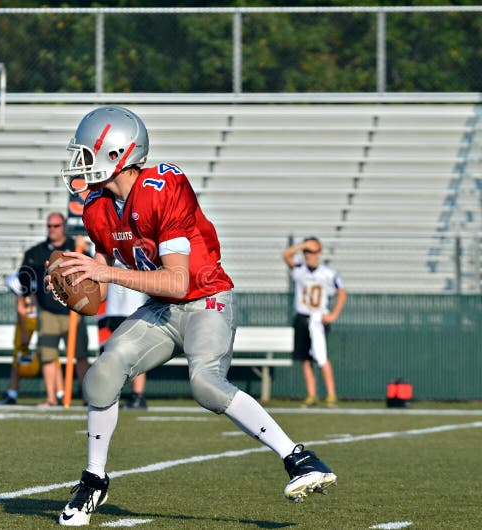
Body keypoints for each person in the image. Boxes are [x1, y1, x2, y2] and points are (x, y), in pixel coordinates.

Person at [52, 106, 337, 525]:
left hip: (206, 299)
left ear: (118, 154)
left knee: (206, 384)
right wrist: (76, 279)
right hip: (162, 310)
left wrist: (104, 271)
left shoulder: (162, 187)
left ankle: (299, 458)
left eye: (86, 153)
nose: (79, 163)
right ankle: (94, 480)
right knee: (102, 373)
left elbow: (178, 282)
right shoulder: (96, 207)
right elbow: (106, 264)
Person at [18, 213, 90, 408]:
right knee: (48, 355)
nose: (52, 229)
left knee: (80, 355)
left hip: (73, 311)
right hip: (48, 311)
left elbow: (91, 272)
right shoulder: (37, 252)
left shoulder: (75, 248)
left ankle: (87, 398)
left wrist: (85, 250)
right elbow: (24, 277)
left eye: (56, 226)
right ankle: (51, 397)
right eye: (49, 226)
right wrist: (29, 297)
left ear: (63, 226)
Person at [282, 237, 347, 408]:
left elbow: (342, 292)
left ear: (319, 253)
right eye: (306, 252)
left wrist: (333, 315)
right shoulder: (299, 269)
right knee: (306, 359)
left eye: (312, 251)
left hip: (318, 318)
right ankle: (311, 395)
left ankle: (331, 394)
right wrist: (304, 245)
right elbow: (286, 255)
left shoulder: (328, 273)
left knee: (322, 356)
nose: (308, 255)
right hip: (302, 316)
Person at [0, 271, 63, 405]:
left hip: (42, 318)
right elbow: (20, 306)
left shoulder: (44, 275)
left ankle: (60, 392)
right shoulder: (22, 278)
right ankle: (12, 392)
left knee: (51, 355)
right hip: (27, 319)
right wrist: (25, 333)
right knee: (18, 355)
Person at [96, 260, 150, 410]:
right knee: (113, 354)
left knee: (135, 353)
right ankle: (111, 393)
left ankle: (138, 395)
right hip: (114, 308)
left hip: (133, 307)